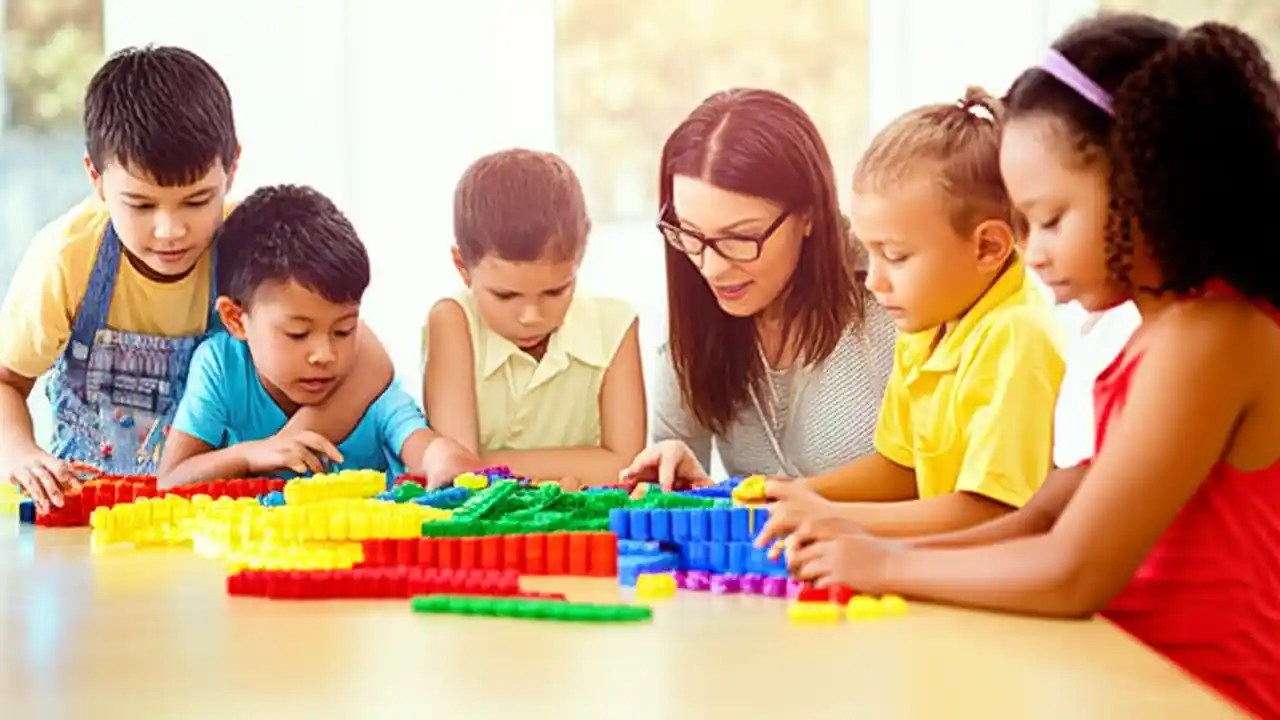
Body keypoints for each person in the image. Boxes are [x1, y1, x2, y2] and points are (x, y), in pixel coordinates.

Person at [777, 16, 1280, 718]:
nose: (1032, 252)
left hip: (1201, 698)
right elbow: (1045, 513)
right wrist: (866, 543)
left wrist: (888, 564)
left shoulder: (1215, 337)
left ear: (1144, 183)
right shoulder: (1152, 339)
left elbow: (1076, 569)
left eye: (1048, 218)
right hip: (1123, 676)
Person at [0, 46, 392, 513]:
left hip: (206, 513)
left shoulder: (248, 243)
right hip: (87, 513)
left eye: (197, 200)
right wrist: (20, 453)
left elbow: (369, 358)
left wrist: (286, 443)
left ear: (232, 169)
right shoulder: (67, 259)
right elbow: (7, 382)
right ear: (97, 179)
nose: (171, 231)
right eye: (141, 205)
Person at [760, 87, 1065, 537]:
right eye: (870, 252)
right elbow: (903, 468)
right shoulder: (929, 327)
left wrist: (836, 519)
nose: (873, 281)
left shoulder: (1016, 336)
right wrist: (797, 493)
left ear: (988, 247)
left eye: (897, 256)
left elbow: (996, 512)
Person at [619, 88, 898, 487]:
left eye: (741, 238)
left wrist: (776, 497)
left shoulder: (891, 298)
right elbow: (680, 502)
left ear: (809, 215)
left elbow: (938, 482)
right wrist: (675, 464)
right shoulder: (697, 309)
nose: (712, 268)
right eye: (690, 234)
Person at [159, 185, 477, 488]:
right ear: (235, 319)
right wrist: (248, 454)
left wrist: (441, 455)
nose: (325, 354)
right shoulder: (221, 367)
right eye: (298, 334)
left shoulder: (368, 387)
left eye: (343, 330)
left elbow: (421, 445)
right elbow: (171, 479)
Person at [422, 149, 645, 487]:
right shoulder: (452, 322)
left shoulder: (614, 326)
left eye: (555, 291)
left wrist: (493, 464)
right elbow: (461, 474)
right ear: (462, 267)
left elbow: (626, 466)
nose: (531, 317)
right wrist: (578, 467)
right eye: (505, 296)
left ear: (581, 257)